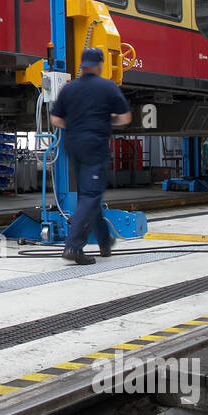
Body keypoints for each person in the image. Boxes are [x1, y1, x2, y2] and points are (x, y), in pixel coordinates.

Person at [49, 47, 132, 265]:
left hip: (73, 145)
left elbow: (55, 120)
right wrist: (107, 120)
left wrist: (75, 125)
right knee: (90, 196)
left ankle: (105, 241)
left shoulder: (69, 89)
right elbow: (125, 118)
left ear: (82, 65)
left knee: (89, 194)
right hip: (95, 146)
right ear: (99, 65)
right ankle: (73, 247)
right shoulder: (107, 87)